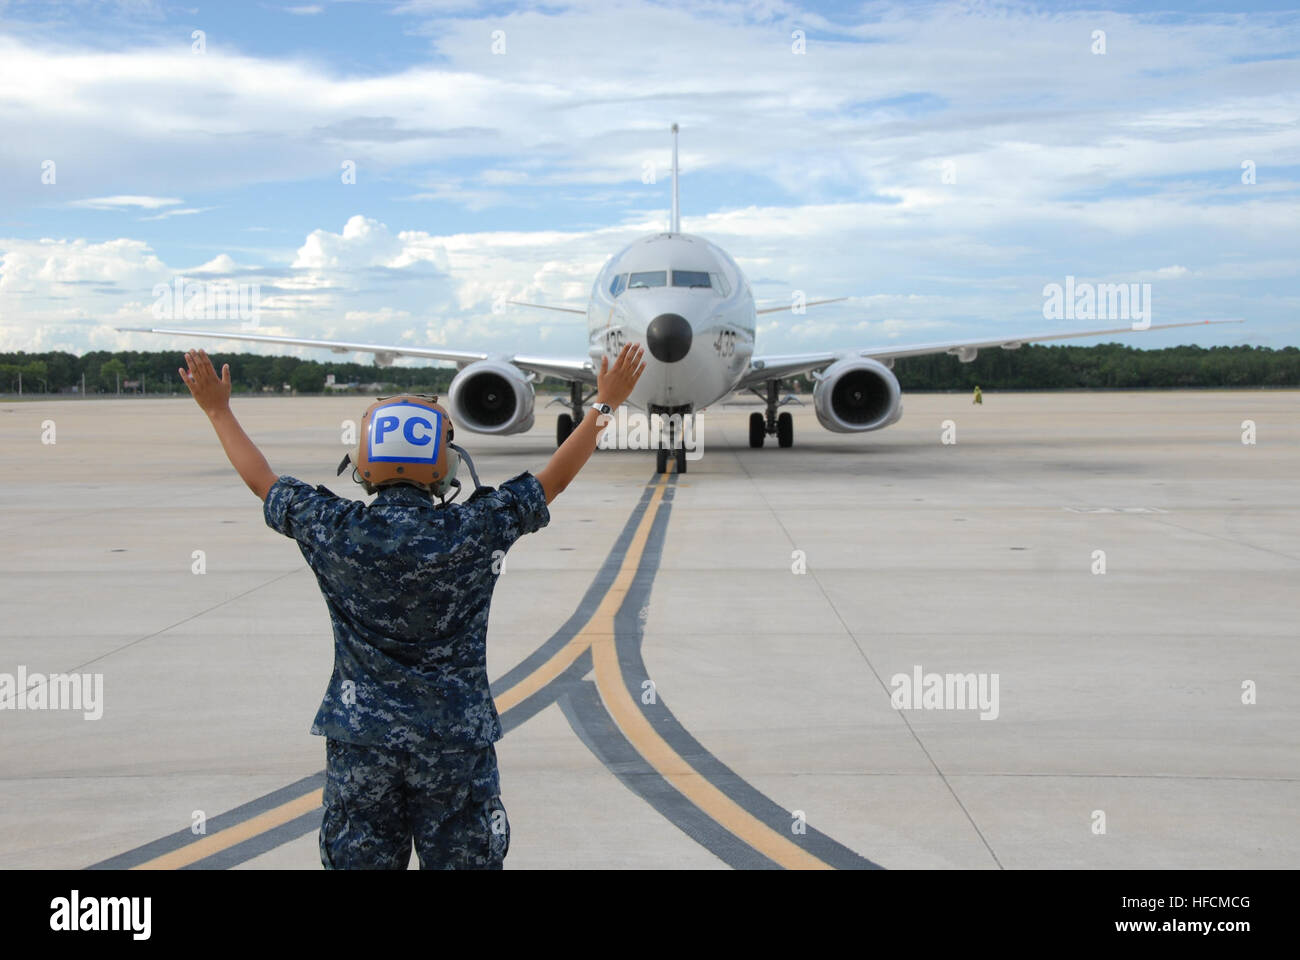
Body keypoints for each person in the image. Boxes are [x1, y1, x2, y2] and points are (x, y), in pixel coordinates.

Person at [178, 343, 646, 869]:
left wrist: (218, 411)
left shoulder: (333, 529)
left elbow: (261, 481)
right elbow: (554, 479)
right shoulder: (476, 528)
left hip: (361, 745)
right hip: (454, 746)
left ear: (363, 462)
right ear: (443, 464)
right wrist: (605, 405)